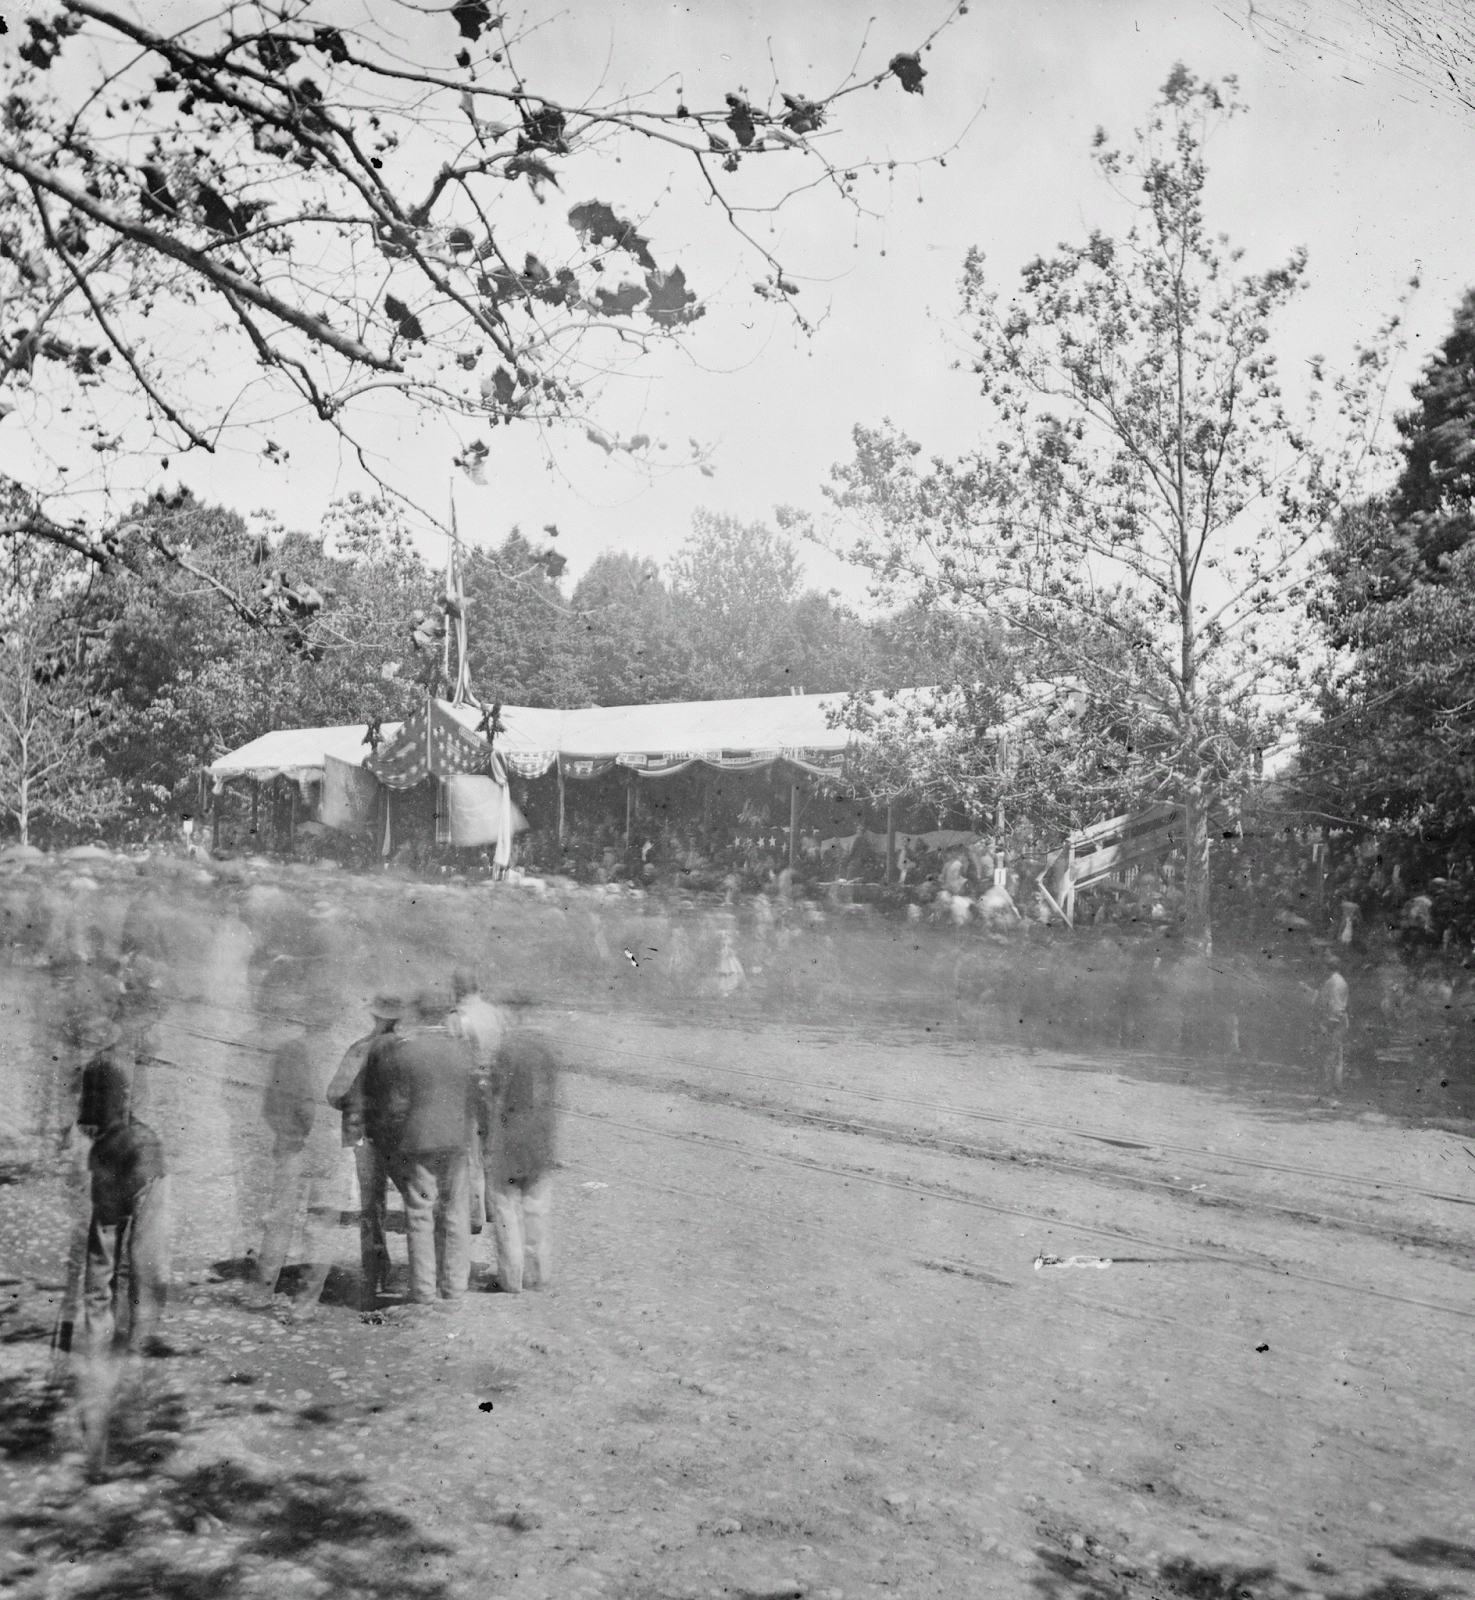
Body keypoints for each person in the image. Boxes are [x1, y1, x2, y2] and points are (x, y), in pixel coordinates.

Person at [74, 1043, 170, 1471]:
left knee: (108, 1283)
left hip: (136, 1177)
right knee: (140, 1282)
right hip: (143, 1175)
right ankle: (126, 1371)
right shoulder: (133, 1131)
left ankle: (108, 1371)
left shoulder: (104, 1142)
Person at [368, 990, 475, 1306]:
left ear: (418, 1014)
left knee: (420, 1215)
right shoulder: (463, 1051)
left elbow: (397, 1105)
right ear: (445, 1015)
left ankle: (424, 1290)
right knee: (456, 1214)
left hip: (419, 1142)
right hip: (457, 1142)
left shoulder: (406, 1052)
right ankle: (455, 1286)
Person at [250, 961, 343, 1318]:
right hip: (329, 1146)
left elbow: (273, 1103)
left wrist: (284, 1134)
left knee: (280, 1220)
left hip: (294, 1146)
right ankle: (305, 1303)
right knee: (320, 1226)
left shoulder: (290, 1049)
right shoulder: (343, 1049)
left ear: (304, 1016)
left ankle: (262, 1292)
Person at [325, 994, 403, 1311]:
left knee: (371, 1208)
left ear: (374, 1018)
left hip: (366, 1138)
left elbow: (334, 1094)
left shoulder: (359, 1048)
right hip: (400, 1139)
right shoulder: (406, 1048)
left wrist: (357, 1106)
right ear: (398, 1019)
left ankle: (374, 1273)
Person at [480, 999, 559, 1294]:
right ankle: (538, 1275)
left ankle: (511, 1279)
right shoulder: (547, 1049)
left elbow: (493, 1094)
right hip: (541, 1139)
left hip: (510, 1138)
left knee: (505, 1208)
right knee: (536, 1208)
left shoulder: (507, 1048)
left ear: (515, 1014)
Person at [449, 969, 507, 1239]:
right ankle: (494, 1206)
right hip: (495, 1084)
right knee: (491, 1147)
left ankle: (475, 1214)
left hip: (468, 1086)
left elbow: (452, 1057)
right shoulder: (495, 1013)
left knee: (470, 1151)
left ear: (457, 989)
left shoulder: (456, 1017)